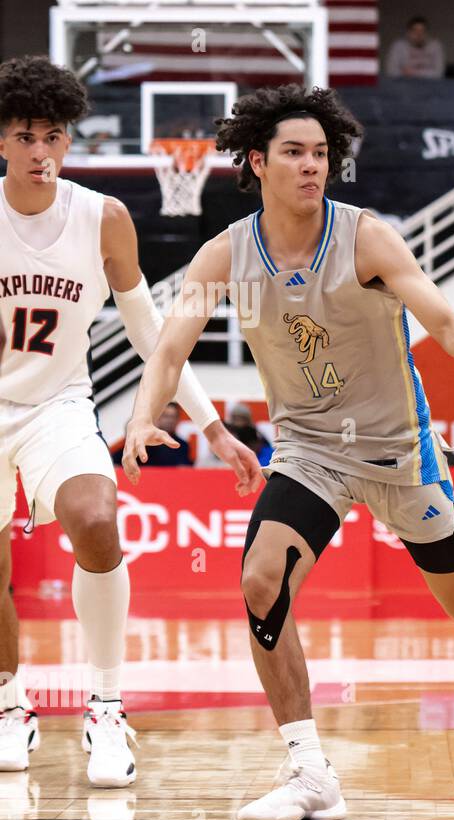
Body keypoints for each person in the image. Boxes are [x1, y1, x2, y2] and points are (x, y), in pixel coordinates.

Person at [124, 83, 454, 820]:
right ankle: (310, 770)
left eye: (321, 153)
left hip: (399, 454)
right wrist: (137, 418)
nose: (311, 165)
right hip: (310, 453)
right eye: (294, 152)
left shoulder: (367, 238)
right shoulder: (225, 255)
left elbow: (449, 327)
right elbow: (166, 352)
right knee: (261, 582)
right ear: (256, 161)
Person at [0, 56, 258, 782]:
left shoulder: (102, 217)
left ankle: (106, 708)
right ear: (2, 142)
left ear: (69, 142)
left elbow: (152, 333)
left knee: (96, 516)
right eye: (25, 137)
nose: (41, 151)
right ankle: (10, 708)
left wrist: (209, 426)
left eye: (53, 136)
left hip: (58, 403)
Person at [112, 402, 191, 467]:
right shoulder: (122, 453)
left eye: (173, 417)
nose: (170, 421)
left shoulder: (170, 449)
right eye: (166, 416)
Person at [225, 401, 273, 466]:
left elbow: (267, 454)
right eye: (235, 418)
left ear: (248, 419)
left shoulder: (256, 434)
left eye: (242, 418)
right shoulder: (227, 433)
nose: (238, 422)